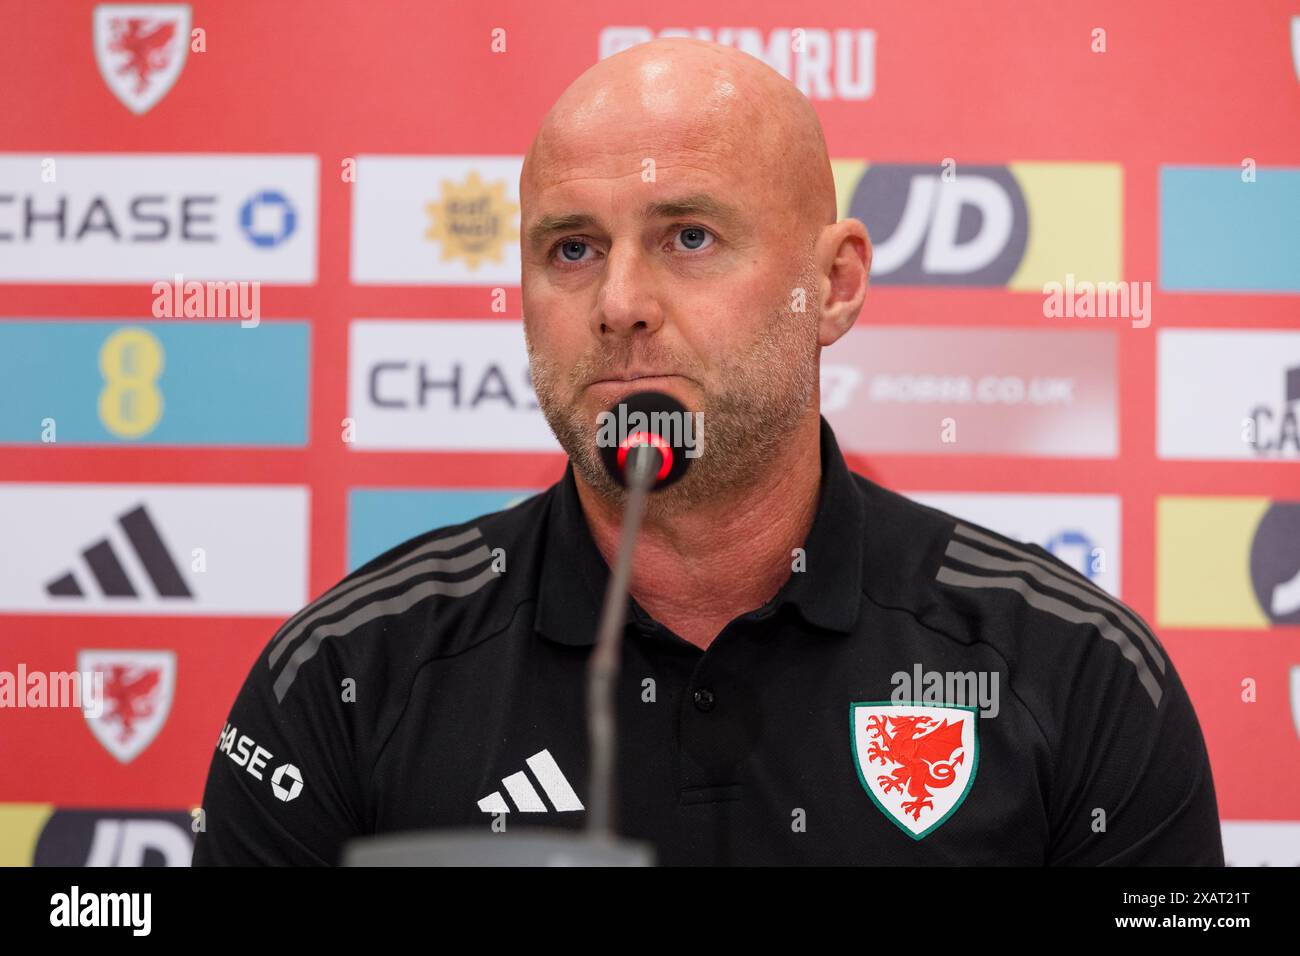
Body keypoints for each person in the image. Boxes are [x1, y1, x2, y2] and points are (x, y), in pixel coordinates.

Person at [192, 38, 1222, 865]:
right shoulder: (344, 674)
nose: (621, 305)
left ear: (836, 284)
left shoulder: (1074, 670)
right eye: (571, 249)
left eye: (688, 237)